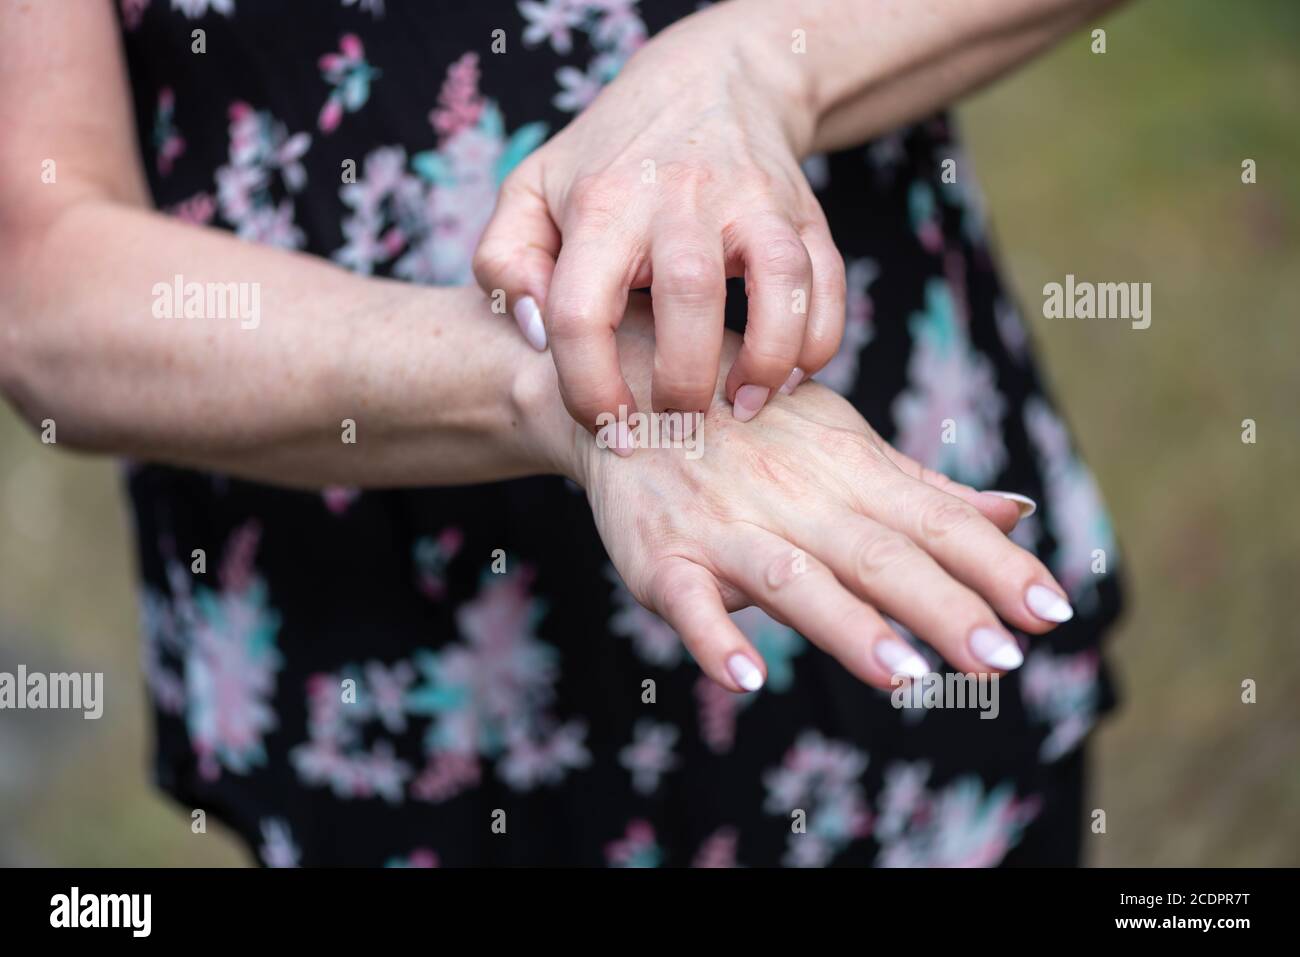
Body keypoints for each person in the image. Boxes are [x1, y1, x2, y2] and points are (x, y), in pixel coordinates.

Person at [0, 0, 1125, 866]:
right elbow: (39, 280)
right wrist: (554, 381)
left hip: (866, 515)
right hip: (390, 685)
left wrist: (752, 60)